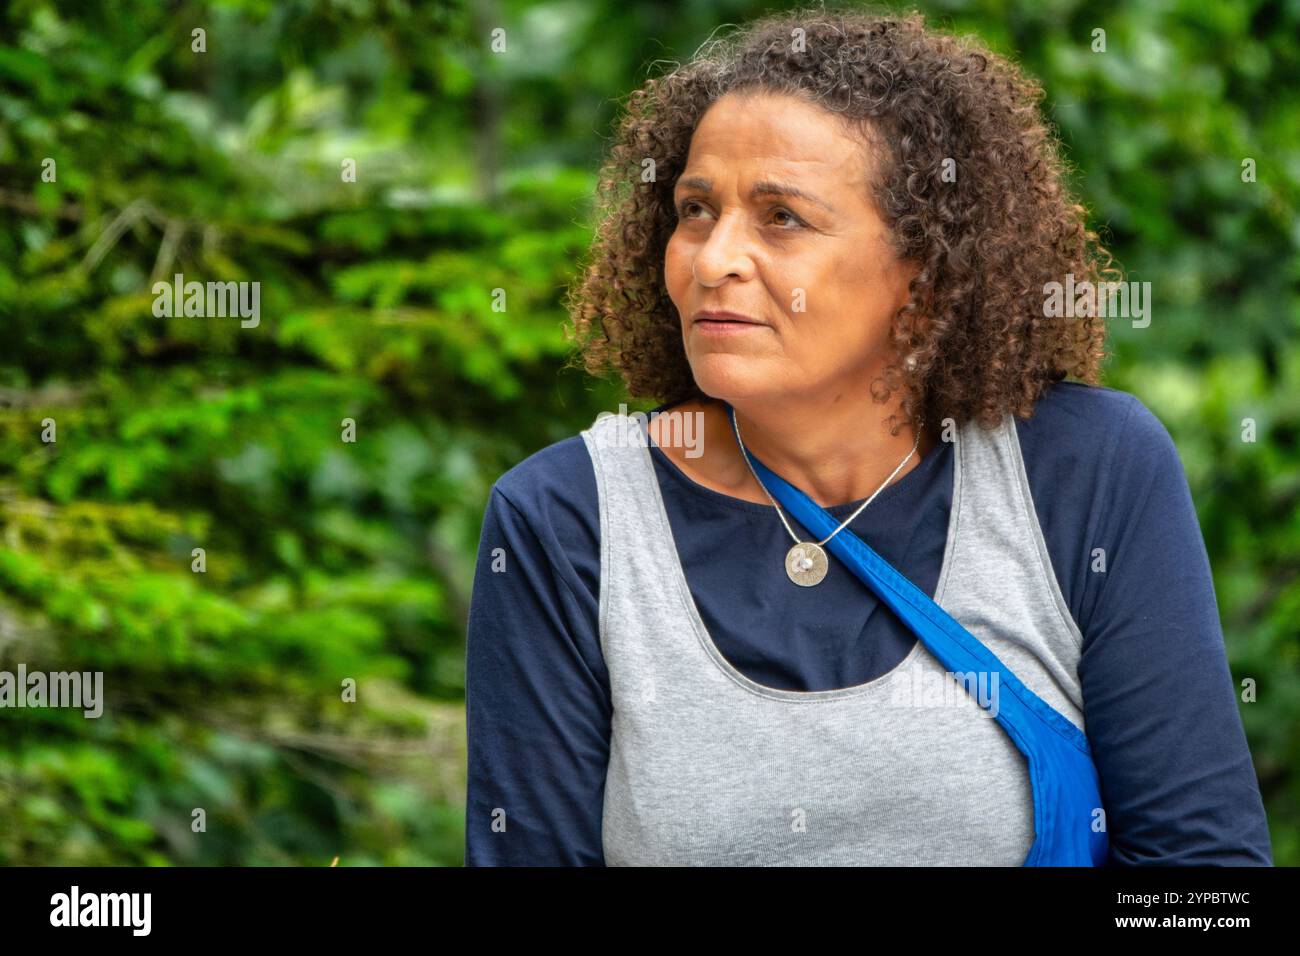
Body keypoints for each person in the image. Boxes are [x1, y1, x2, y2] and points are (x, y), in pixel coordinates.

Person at [464, 8, 1272, 865]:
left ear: (925, 275)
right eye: (695, 210)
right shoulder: (564, 521)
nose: (711, 259)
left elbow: (1204, 882)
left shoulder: (1085, 469)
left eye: (782, 219)